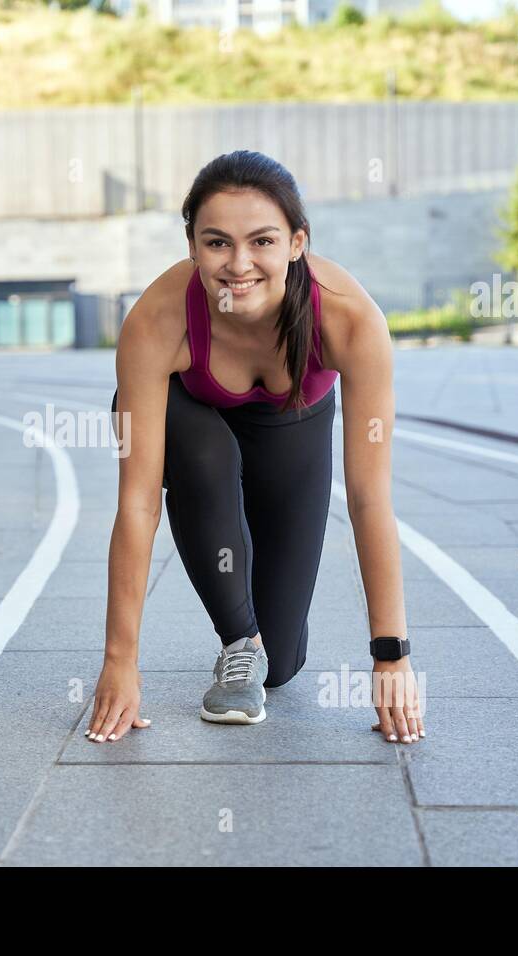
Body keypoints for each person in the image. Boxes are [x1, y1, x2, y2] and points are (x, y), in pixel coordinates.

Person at [87, 149, 424, 746]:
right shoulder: (158, 320)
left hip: (291, 424)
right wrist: (120, 659)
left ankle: (263, 644)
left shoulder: (349, 320)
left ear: (297, 242)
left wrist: (390, 655)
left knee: (284, 664)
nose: (239, 264)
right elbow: (137, 503)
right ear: (191, 245)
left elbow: (370, 498)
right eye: (217, 243)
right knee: (204, 451)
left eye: (262, 241)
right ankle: (238, 643)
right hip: (191, 424)